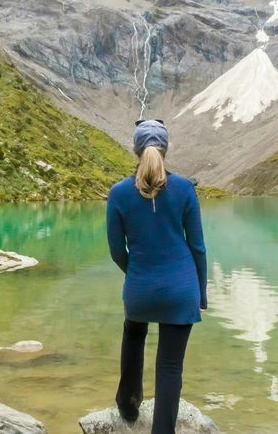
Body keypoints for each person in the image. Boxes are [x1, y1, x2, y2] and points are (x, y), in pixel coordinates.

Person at [106, 118, 208, 434]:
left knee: (134, 333)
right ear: (166, 149)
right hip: (181, 289)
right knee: (169, 368)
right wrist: (201, 293)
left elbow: (115, 250)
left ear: (135, 149)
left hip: (140, 288)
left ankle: (128, 400)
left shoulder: (119, 193)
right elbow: (198, 248)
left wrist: (137, 274)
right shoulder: (185, 189)